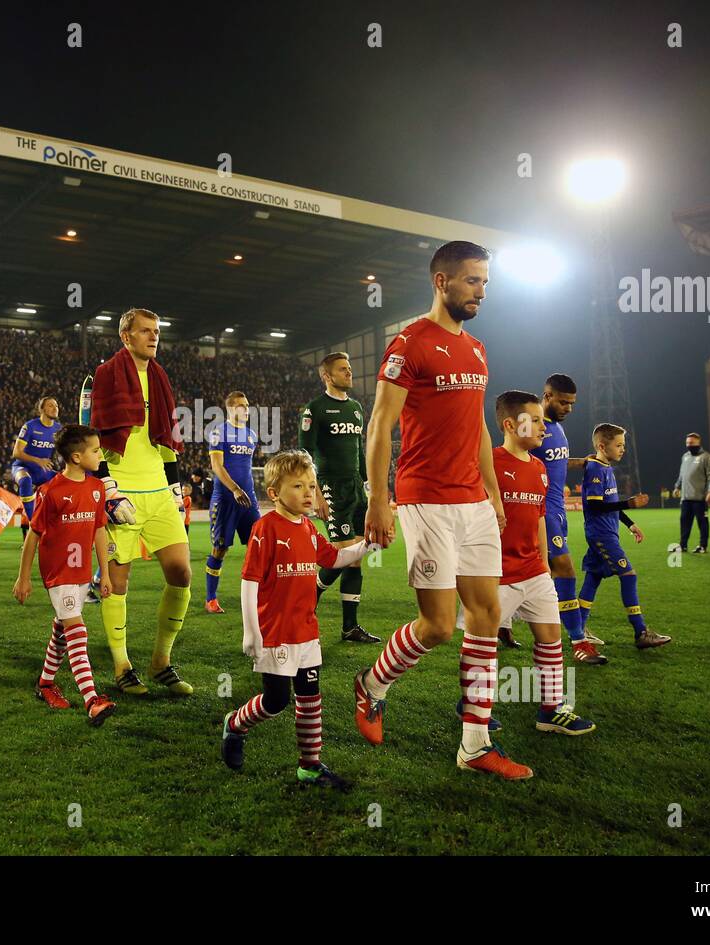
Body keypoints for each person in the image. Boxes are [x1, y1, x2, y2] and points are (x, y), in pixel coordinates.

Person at [354, 240, 533, 780]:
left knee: (487, 615)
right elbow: (381, 424)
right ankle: (371, 685)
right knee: (436, 627)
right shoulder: (408, 344)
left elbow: (477, 425)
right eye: (473, 281)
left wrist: (494, 493)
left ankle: (475, 746)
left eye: (485, 281)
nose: (482, 290)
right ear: (442, 281)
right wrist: (379, 499)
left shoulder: (477, 348)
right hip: (425, 497)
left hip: (473, 501)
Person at [220, 449, 372, 789]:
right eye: (299, 486)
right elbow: (249, 582)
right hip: (274, 633)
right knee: (276, 701)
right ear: (274, 493)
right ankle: (236, 724)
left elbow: (334, 557)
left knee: (310, 699)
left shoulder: (307, 528)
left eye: (312, 486)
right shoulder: (265, 528)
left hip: (307, 632)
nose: (308, 493)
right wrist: (251, 632)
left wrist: (368, 545)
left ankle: (310, 766)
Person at [457, 391, 596, 736]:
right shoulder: (487, 464)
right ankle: (472, 704)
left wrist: (545, 565)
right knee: (481, 644)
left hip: (534, 570)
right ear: (508, 424)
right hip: (496, 572)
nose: (542, 428)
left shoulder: (539, 469)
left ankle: (551, 709)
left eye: (542, 421)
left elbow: (539, 518)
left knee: (550, 638)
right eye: (533, 420)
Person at [90, 308, 193, 696]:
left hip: (158, 491)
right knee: (118, 582)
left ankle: (161, 661)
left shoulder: (161, 378)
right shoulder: (104, 376)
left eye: (156, 332)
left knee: (181, 573)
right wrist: (108, 489)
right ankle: (122, 665)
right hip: (122, 491)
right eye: (145, 331)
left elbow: (166, 441)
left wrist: (176, 488)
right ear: (125, 336)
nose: (153, 337)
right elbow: (92, 436)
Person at [13, 424, 117, 725]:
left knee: (62, 629)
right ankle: (92, 700)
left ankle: (45, 683)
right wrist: (24, 577)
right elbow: (33, 535)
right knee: (77, 631)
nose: (100, 455)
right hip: (57, 572)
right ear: (75, 456)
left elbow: (99, 532)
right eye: (95, 451)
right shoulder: (52, 491)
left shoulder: (97, 489)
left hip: (82, 571)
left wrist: (105, 574)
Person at [299, 352, 379, 643]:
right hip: (331, 488)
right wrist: (316, 493)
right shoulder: (315, 409)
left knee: (357, 557)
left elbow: (359, 452)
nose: (349, 373)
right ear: (327, 376)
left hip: (356, 488)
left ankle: (348, 627)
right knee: (347, 553)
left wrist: (368, 487)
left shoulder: (356, 408)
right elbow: (304, 455)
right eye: (343, 370)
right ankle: (310, 596)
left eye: (349, 369)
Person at [530, 373, 605, 663]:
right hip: (541, 512)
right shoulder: (532, 424)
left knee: (537, 577)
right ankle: (578, 640)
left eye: (572, 403)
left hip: (556, 512)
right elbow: (512, 458)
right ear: (547, 396)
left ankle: (501, 625)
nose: (569, 409)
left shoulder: (556, 428)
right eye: (563, 402)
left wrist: (584, 462)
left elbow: (555, 463)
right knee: (565, 571)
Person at [580, 424, 672, 649]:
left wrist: (630, 524)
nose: (623, 449)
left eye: (623, 445)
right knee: (628, 575)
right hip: (601, 535)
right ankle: (640, 632)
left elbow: (610, 505)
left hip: (606, 532)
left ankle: (579, 629)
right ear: (602, 446)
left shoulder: (606, 468)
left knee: (593, 577)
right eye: (619, 445)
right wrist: (629, 503)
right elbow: (595, 507)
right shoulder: (595, 470)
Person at [203, 391, 260, 614]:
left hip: (249, 500)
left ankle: (258, 594)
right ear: (230, 409)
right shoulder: (219, 432)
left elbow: (244, 469)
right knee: (220, 549)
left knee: (259, 545)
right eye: (240, 406)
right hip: (226, 499)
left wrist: (244, 491)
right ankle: (211, 599)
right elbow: (217, 466)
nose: (245, 409)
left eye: (247, 405)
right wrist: (235, 489)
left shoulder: (251, 434)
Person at [11, 396, 61, 539]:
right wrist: (38, 460)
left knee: (66, 482)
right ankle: (35, 525)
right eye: (51, 405)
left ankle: (63, 525)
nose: (55, 408)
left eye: (56, 405)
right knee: (25, 480)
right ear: (42, 409)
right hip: (22, 468)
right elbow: (16, 452)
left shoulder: (58, 429)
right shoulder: (30, 426)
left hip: (42, 471)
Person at [673, 433, 710, 554]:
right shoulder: (685, 456)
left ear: (698, 443)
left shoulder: (706, 457)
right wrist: (677, 486)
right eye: (687, 443)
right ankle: (682, 545)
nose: (689, 445)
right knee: (684, 521)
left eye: (692, 443)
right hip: (685, 498)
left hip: (700, 498)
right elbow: (682, 474)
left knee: (702, 522)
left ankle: (703, 546)